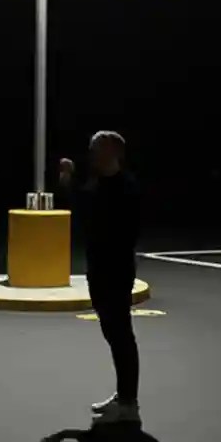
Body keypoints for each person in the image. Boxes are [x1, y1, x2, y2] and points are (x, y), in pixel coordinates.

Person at [58, 130, 142, 424]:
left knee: (121, 335)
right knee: (113, 333)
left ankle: (129, 404)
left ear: (112, 152)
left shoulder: (125, 187)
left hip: (115, 270)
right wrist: (69, 183)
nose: (91, 154)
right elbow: (84, 209)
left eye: (96, 149)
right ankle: (124, 396)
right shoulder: (98, 183)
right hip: (99, 268)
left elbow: (119, 228)